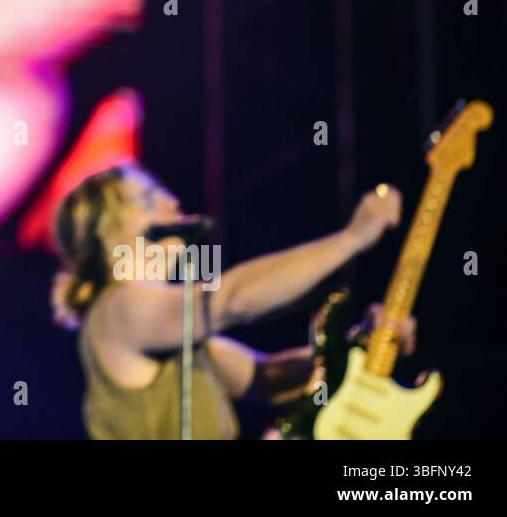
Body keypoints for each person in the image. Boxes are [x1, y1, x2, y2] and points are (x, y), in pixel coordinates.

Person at [50, 162, 416, 439]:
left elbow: (267, 378)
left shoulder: (177, 340)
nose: (171, 203)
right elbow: (233, 298)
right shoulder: (118, 311)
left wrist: (363, 344)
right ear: (110, 235)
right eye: (148, 200)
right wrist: (351, 239)